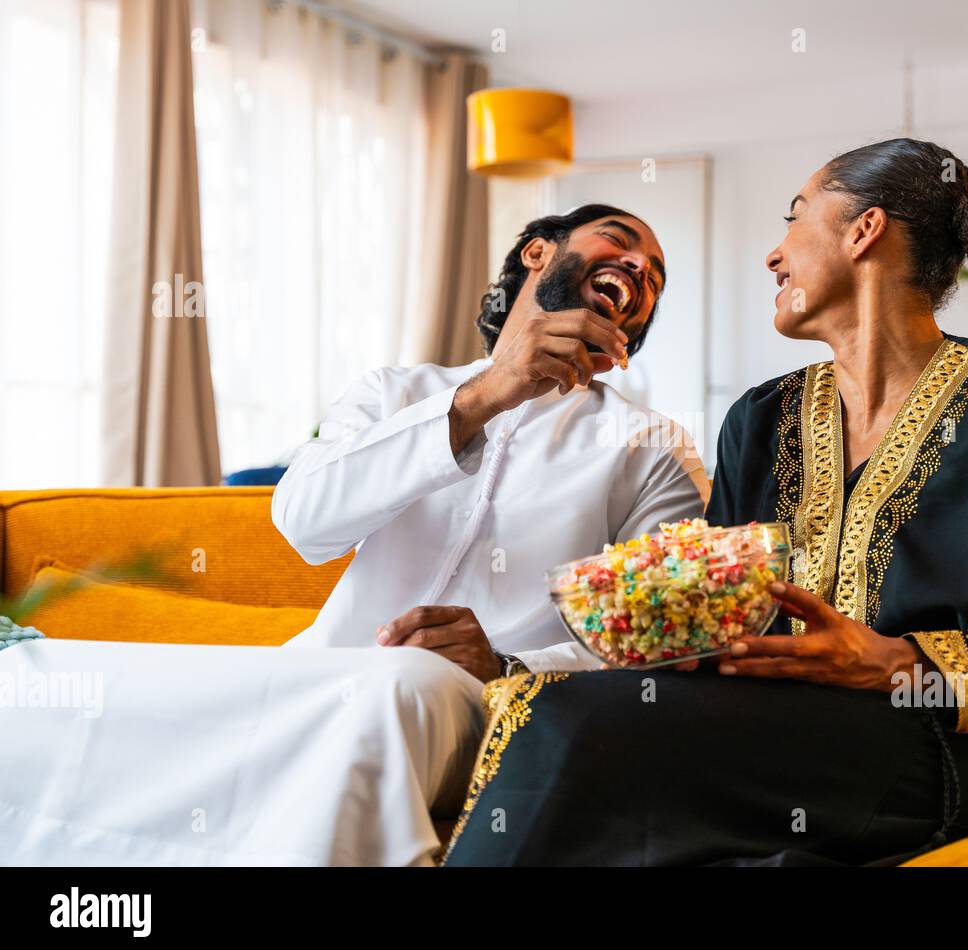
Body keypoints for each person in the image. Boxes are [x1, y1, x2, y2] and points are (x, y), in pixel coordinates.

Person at [441, 139, 968, 867]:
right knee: (555, 711)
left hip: (935, 746)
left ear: (863, 229)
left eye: (795, 217)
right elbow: (711, 618)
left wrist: (894, 662)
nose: (773, 256)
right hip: (767, 734)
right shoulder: (760, 419)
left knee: (571, 723)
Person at [0, 205, 706, 866]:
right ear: (538, 252)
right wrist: (485, 395)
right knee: (51, 682)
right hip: (317, 672)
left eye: (657, 274)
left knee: (398, 685)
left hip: (474, 701)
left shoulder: (654, 449)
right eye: (620, 240)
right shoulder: (395, 391)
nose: (641, 265)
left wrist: (506, 661)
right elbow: (305, 520)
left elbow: (656, 643)